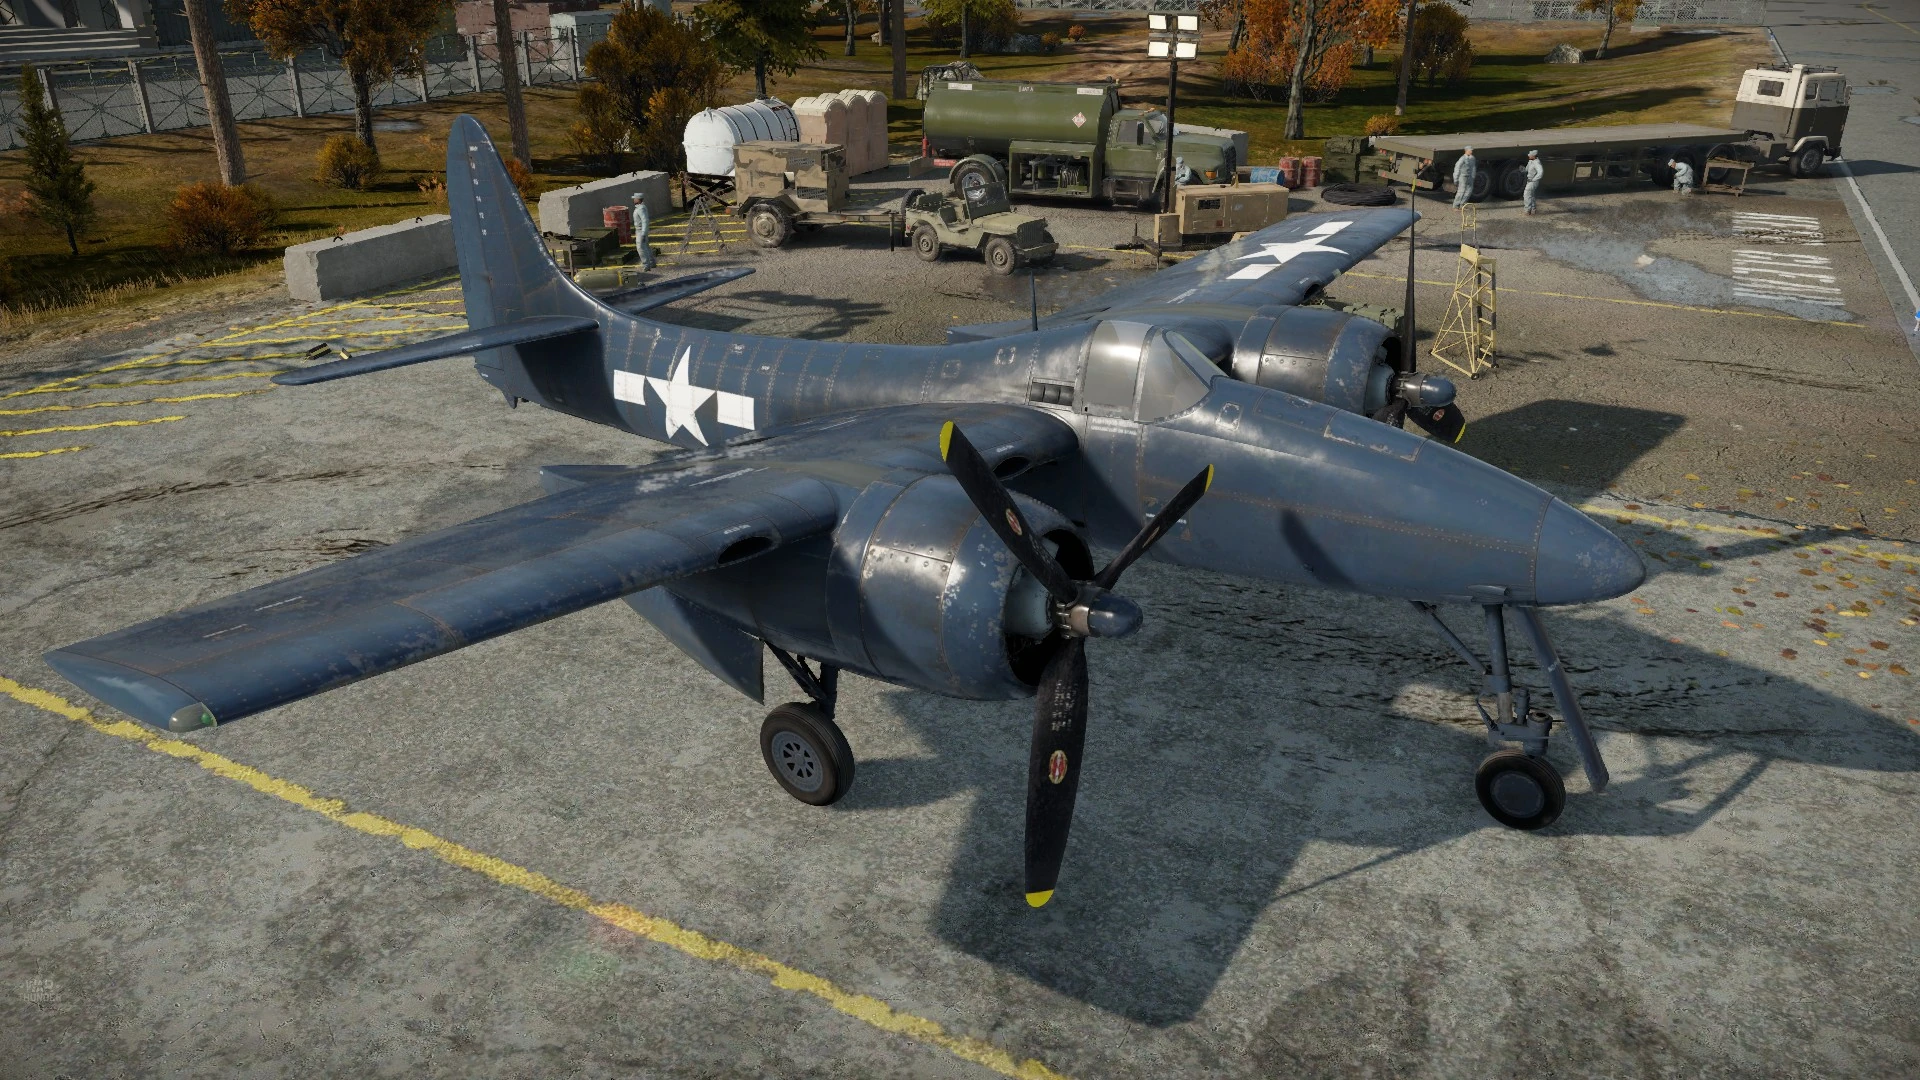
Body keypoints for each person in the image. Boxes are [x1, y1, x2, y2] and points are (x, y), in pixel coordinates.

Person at [632, 193, 655, 270]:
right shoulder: (640, 208)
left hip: (640, 231)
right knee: (646, 246)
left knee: (640, 248)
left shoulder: (641, 209)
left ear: (638, 200)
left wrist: (643, 233)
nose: (633, 200)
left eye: (635, 198)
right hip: (640, 230)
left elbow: (645, 221)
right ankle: (652, 262)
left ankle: (646, 265)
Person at [1523, 149, 1544, 215]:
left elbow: (1540, 172)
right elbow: (1526, 169)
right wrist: (1522, 169)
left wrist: (1534, 179)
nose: (1528, 156)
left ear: (1534, 156)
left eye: (1530, 155)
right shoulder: (1530, 161)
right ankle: (1533, 209)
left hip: (1533, 181)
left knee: (1526, 194)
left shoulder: (1537, 163)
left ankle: (1527, 210)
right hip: (1529, 180)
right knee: (1531, 195)